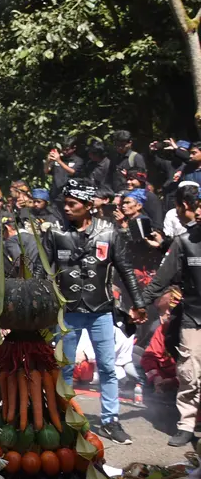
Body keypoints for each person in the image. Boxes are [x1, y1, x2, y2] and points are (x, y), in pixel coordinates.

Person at [46, 179, 147, 444]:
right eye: (64, 203)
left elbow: (125, 270)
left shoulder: (109, 232)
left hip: (101, 309)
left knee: (107, 367)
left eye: (73, 204)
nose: (66, 208)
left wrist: (138, 303)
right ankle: (62, 418)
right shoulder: (55, 232)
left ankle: (110, 420)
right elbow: (41, 272)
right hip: (67, 310)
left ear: (89, 206)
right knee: (64, 367)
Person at [142, 185, 201, 446]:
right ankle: (186, 424)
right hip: (194, 316)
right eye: (197, 206)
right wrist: (138, 304)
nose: (198, 212)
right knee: (189, 371)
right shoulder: (184, 242)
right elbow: (161, 279)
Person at [47, 136, 83, 201]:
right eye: (63, 149)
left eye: (67, 150)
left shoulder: (78, 160)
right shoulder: (58, 158)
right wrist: (47, 161)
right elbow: (46, 171)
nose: (64, 151)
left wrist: (59, 161)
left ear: (74, 148)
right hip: (55, 196)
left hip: (70, 196)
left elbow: (73, 172)